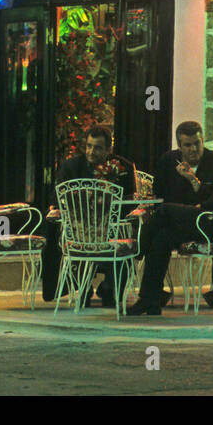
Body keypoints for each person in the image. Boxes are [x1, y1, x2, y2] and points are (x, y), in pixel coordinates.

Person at [127, 128, 213, 315]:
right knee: (162, 237)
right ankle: (149, 299)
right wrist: (201, 197)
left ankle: (138, 249)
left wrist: (203, 206)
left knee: (166, 210)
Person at [41, 126, 136, 307]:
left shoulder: (123, 167)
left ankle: (109, 287)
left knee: (129, 232)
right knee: (56, 231)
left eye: (98, 148)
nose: (91, 152)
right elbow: (56, 196)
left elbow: (131, 199)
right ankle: (79, 286)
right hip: (79, 229)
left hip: (112, 226)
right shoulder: (71, 167)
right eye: (89, 146)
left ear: (108, 149)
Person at [153, 121, 213, 204]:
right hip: (173, 213)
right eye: (188, 145)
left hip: (203, 214)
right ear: (179, 146)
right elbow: (158, 194)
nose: (194, 149)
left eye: (197, 143)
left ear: (202, 140)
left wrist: (193, 180)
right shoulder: (167, 160)